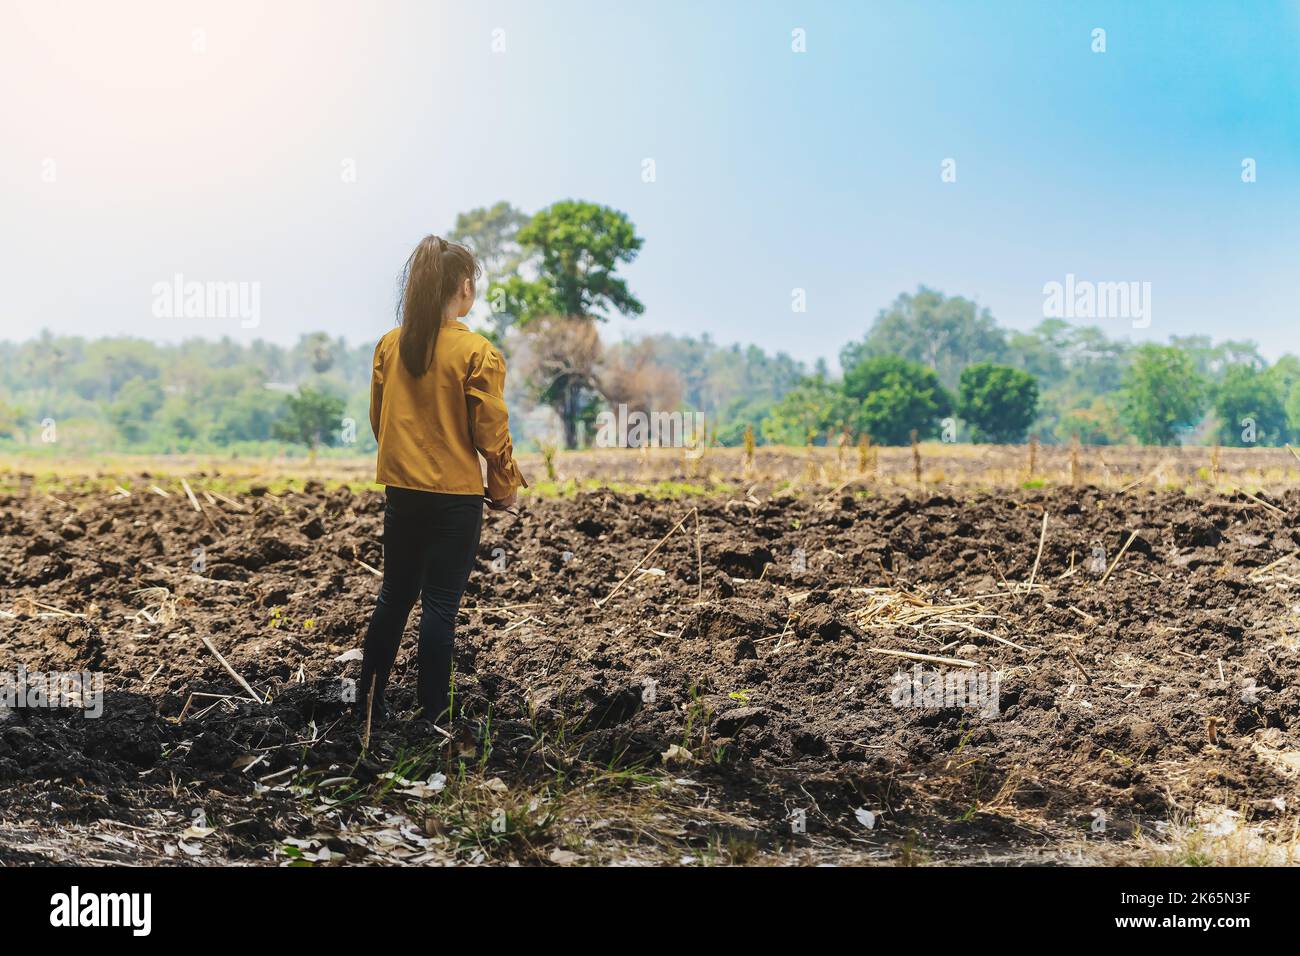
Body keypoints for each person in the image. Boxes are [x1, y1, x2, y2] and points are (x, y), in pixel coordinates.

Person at [357, 235, 525, 726]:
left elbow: (378, 420)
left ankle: (368, 706)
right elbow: (490, 430)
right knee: (440, 606)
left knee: (393, 597)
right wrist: (504, 484)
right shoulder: (477, 352)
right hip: (456, 499)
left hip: (402, 494)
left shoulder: (391, 345)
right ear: (464, 288)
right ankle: (431, 717)